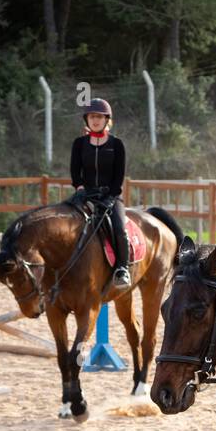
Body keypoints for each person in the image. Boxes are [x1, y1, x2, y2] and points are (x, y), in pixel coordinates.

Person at [70, 98, 131, 290]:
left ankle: (122, 268)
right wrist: (79, 188)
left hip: (111, 196)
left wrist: (111, 197)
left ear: (107, 120)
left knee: (119, 229)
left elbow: (119, 175)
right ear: (86, 120)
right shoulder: (79, 144)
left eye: (99, 117)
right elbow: (75, 171)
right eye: (92, 116)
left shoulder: (117, 144)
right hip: (85, 195)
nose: (95, 120)